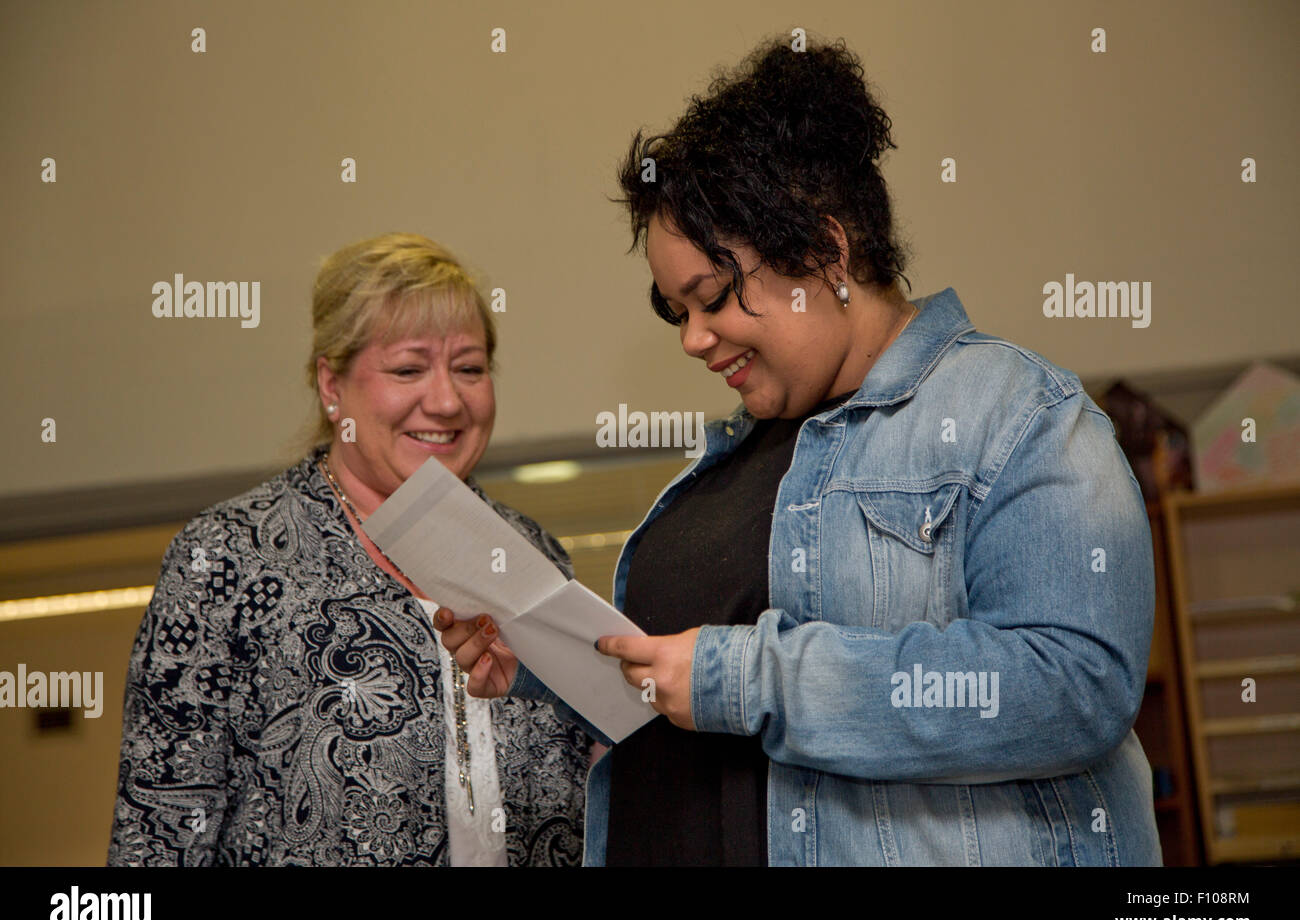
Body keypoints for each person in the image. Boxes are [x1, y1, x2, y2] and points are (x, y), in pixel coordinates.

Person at [441, 36, 1162, 866]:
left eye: (710, 298)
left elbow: (1071, 687)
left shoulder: (1018, 415)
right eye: (673, 311)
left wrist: (748, 679)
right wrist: (544, 662)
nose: (693, 339)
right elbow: (685, 697)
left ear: (824, 250)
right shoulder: (734, 458)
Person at [108, 233, 593, 866]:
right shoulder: (225, 558)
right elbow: (156, 838)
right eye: (408, 369)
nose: (447, 401)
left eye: (470, 368)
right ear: (331, 383)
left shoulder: (535, 553)